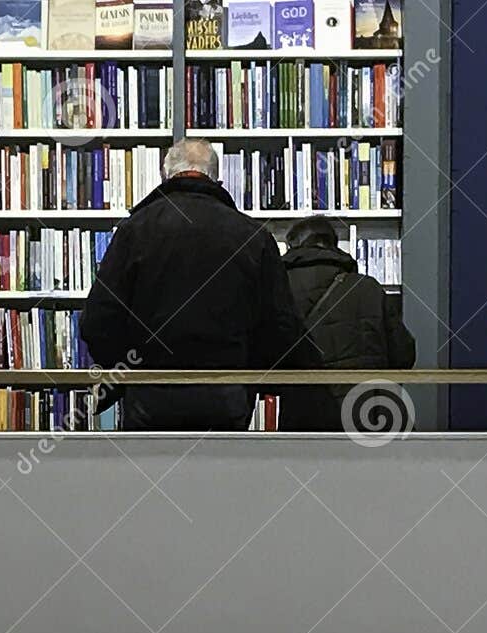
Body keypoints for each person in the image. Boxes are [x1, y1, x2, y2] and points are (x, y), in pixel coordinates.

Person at [80, 139, 315, 430]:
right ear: (217, 179)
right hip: (227, 392)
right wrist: (250, 373)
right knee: (219, 474)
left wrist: (128, 369)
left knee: (151, 472)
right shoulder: (253, 236)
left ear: (165, 175)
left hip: (150, 391)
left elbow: (98, 321)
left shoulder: (134, 231)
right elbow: (280, 326)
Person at [277, 215, 417, 431]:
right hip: (367, 412)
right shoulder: (368, 288)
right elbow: (403, 355)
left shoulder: (280, 291)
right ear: (333, 245)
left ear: (292, 247)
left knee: (305, 464)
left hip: (305, 415)